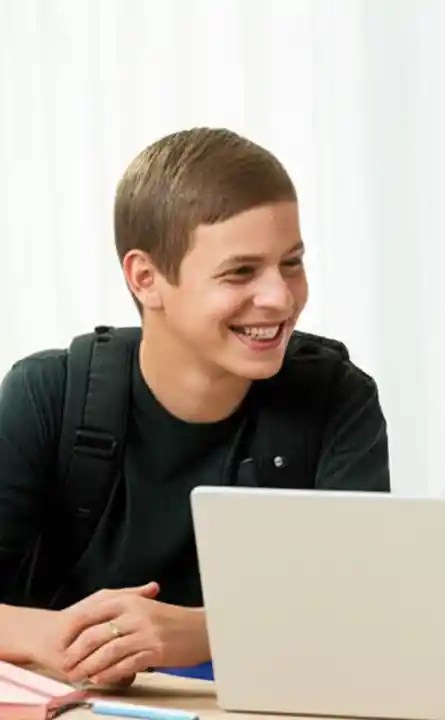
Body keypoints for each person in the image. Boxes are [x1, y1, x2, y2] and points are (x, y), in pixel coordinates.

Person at [0, 128, 391, 687]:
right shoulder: (45, 396)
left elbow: (368, 611)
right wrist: (62, 637)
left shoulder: (338, 398)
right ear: (146, 278)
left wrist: (208, 631)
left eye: (292, 263)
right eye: (240, 272)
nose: (280, 298)